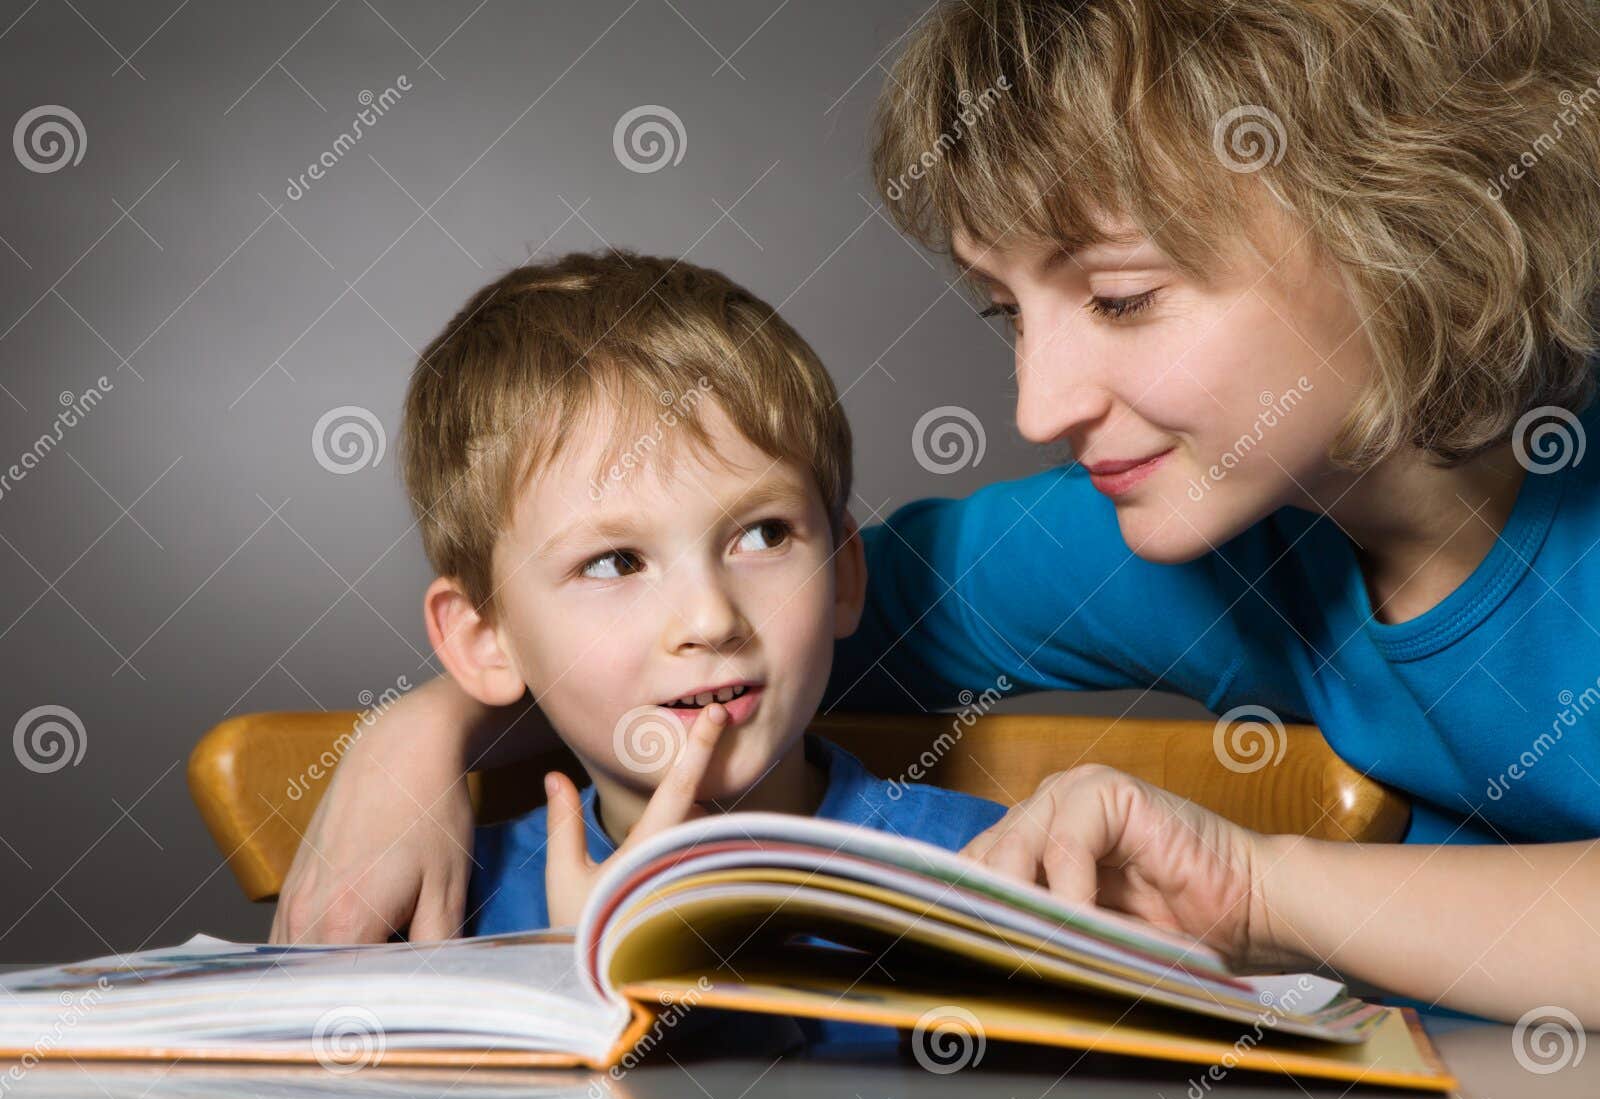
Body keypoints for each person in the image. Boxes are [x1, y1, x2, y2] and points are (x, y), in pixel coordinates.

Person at [274, 0, 1600, 1026]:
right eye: (1009, 313)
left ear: (1407, 216)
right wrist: (425, 729)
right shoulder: (1147, 538)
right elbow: (726, 630)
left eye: (1123, 296)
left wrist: (1265, 891)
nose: (1038, 402)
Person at [270, 249, 1003, 939]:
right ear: (483, 639)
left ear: (845, 577)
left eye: (764, 535)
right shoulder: (434, 908)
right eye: (616, 562)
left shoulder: (996, 876)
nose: (712, 620)